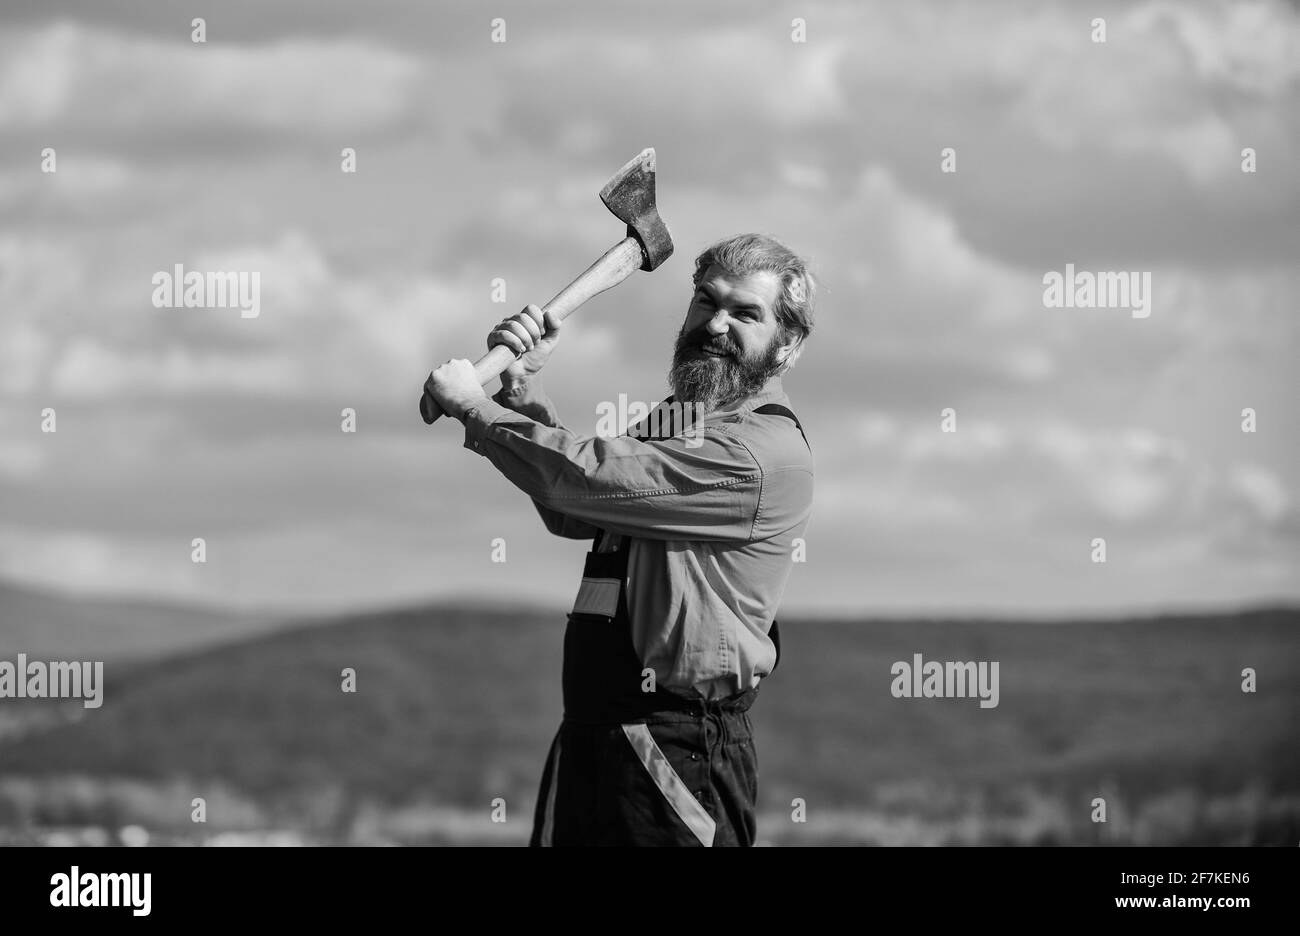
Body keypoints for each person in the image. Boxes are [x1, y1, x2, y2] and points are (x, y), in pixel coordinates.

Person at [423, 232, 816, 846]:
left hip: (673, 748)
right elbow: (585, 510)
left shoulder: (758, 453)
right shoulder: (678, 418)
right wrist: (523, 387)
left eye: (746, 313)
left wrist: (477, 411)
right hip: (593, 729)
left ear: (787, 344)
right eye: (706, 302)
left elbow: (587, 477)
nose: (715, 326)